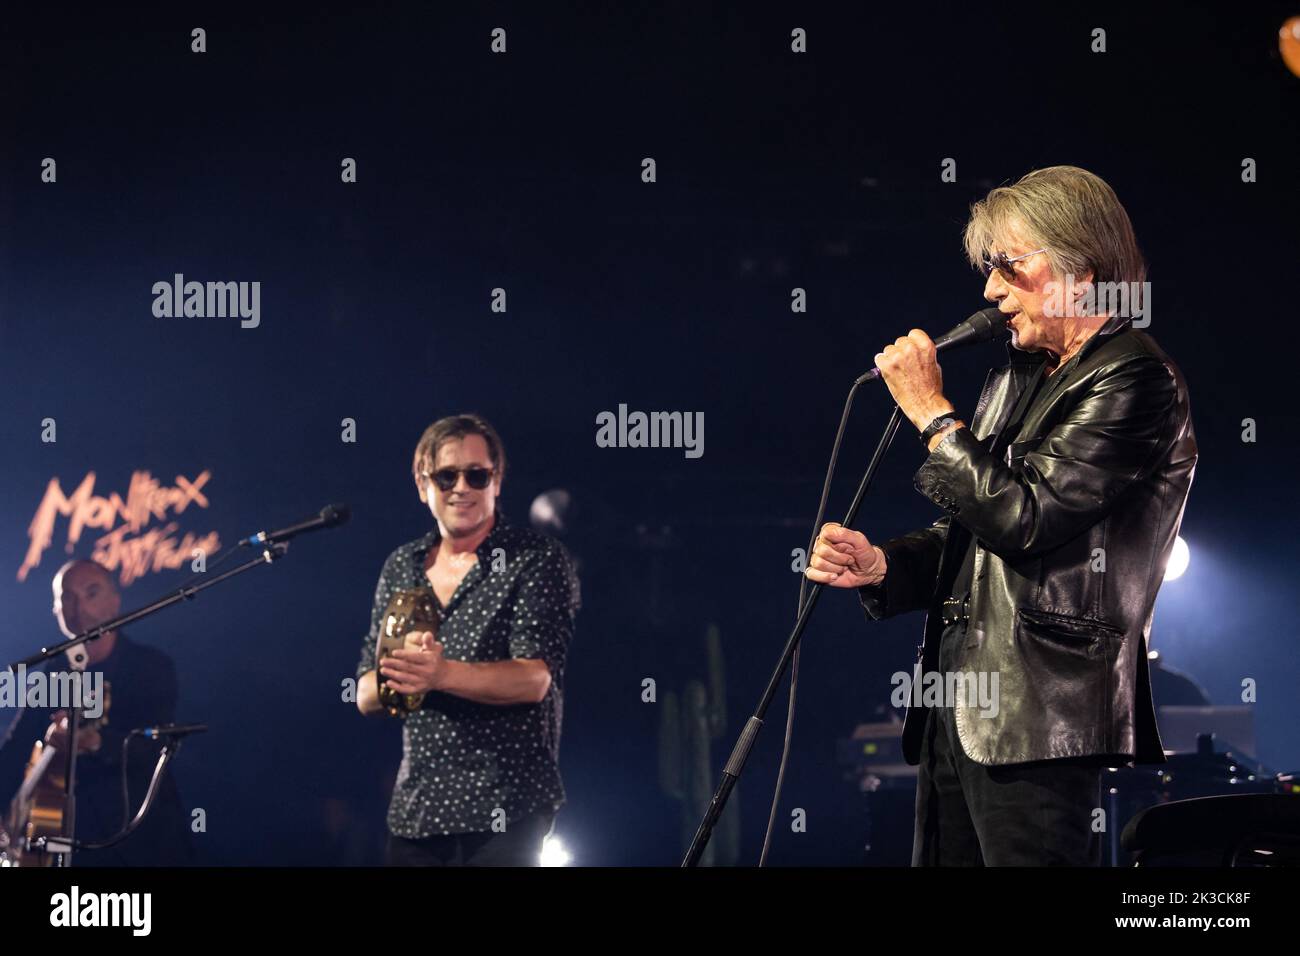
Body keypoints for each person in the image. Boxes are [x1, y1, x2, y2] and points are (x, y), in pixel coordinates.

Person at [806, 166, 1196, 866]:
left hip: (1041, 716)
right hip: (956, 704)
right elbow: (973, 533)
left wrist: (932, 413)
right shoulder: (1016, 379)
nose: (991, 291)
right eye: (990, 270)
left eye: (1010, 267)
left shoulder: (1135, 379)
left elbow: (1027, 517)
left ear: (1082, 267)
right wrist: (884, 565)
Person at [356, 414, 579, 866]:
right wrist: (398, 679)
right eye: (447, 476)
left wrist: (439, 674)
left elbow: (533, 680)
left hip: (506, 807)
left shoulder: (536, 559)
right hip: (418, 812)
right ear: (423, 485)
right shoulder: (402, 565)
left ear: (496, 481)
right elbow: (364, 692)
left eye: (477, 475)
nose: (462, 487)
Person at [0, 559, 192, 866]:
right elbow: (16, 747)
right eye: (68, 597)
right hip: (69, 838)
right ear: (56, 609)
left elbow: (154, 745)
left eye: (91, 593)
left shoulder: (148, 666)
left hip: (139, 837)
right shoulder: (54, 671)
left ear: (115, 602)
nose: (79, 607)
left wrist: (95, 742)